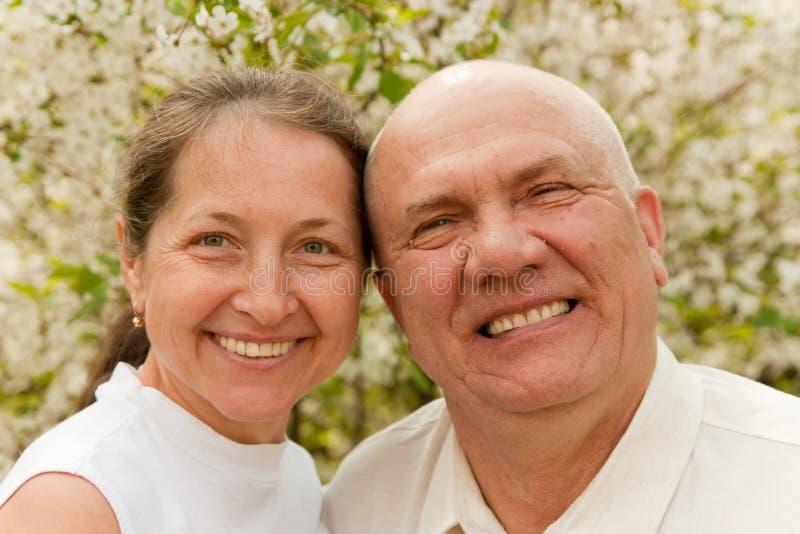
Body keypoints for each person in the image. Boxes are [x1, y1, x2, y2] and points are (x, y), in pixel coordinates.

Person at [323, 60, 800, 533]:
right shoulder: (360, 507)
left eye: (548, 191)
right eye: (437, 224)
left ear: (649, 233)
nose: (502, 255)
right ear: (396, 305)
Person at [0, 68, 368, 533]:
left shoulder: (295, 478)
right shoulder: (72, 503)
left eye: (315, 247)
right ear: (133, 263)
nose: (268, 303)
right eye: (215, 240)